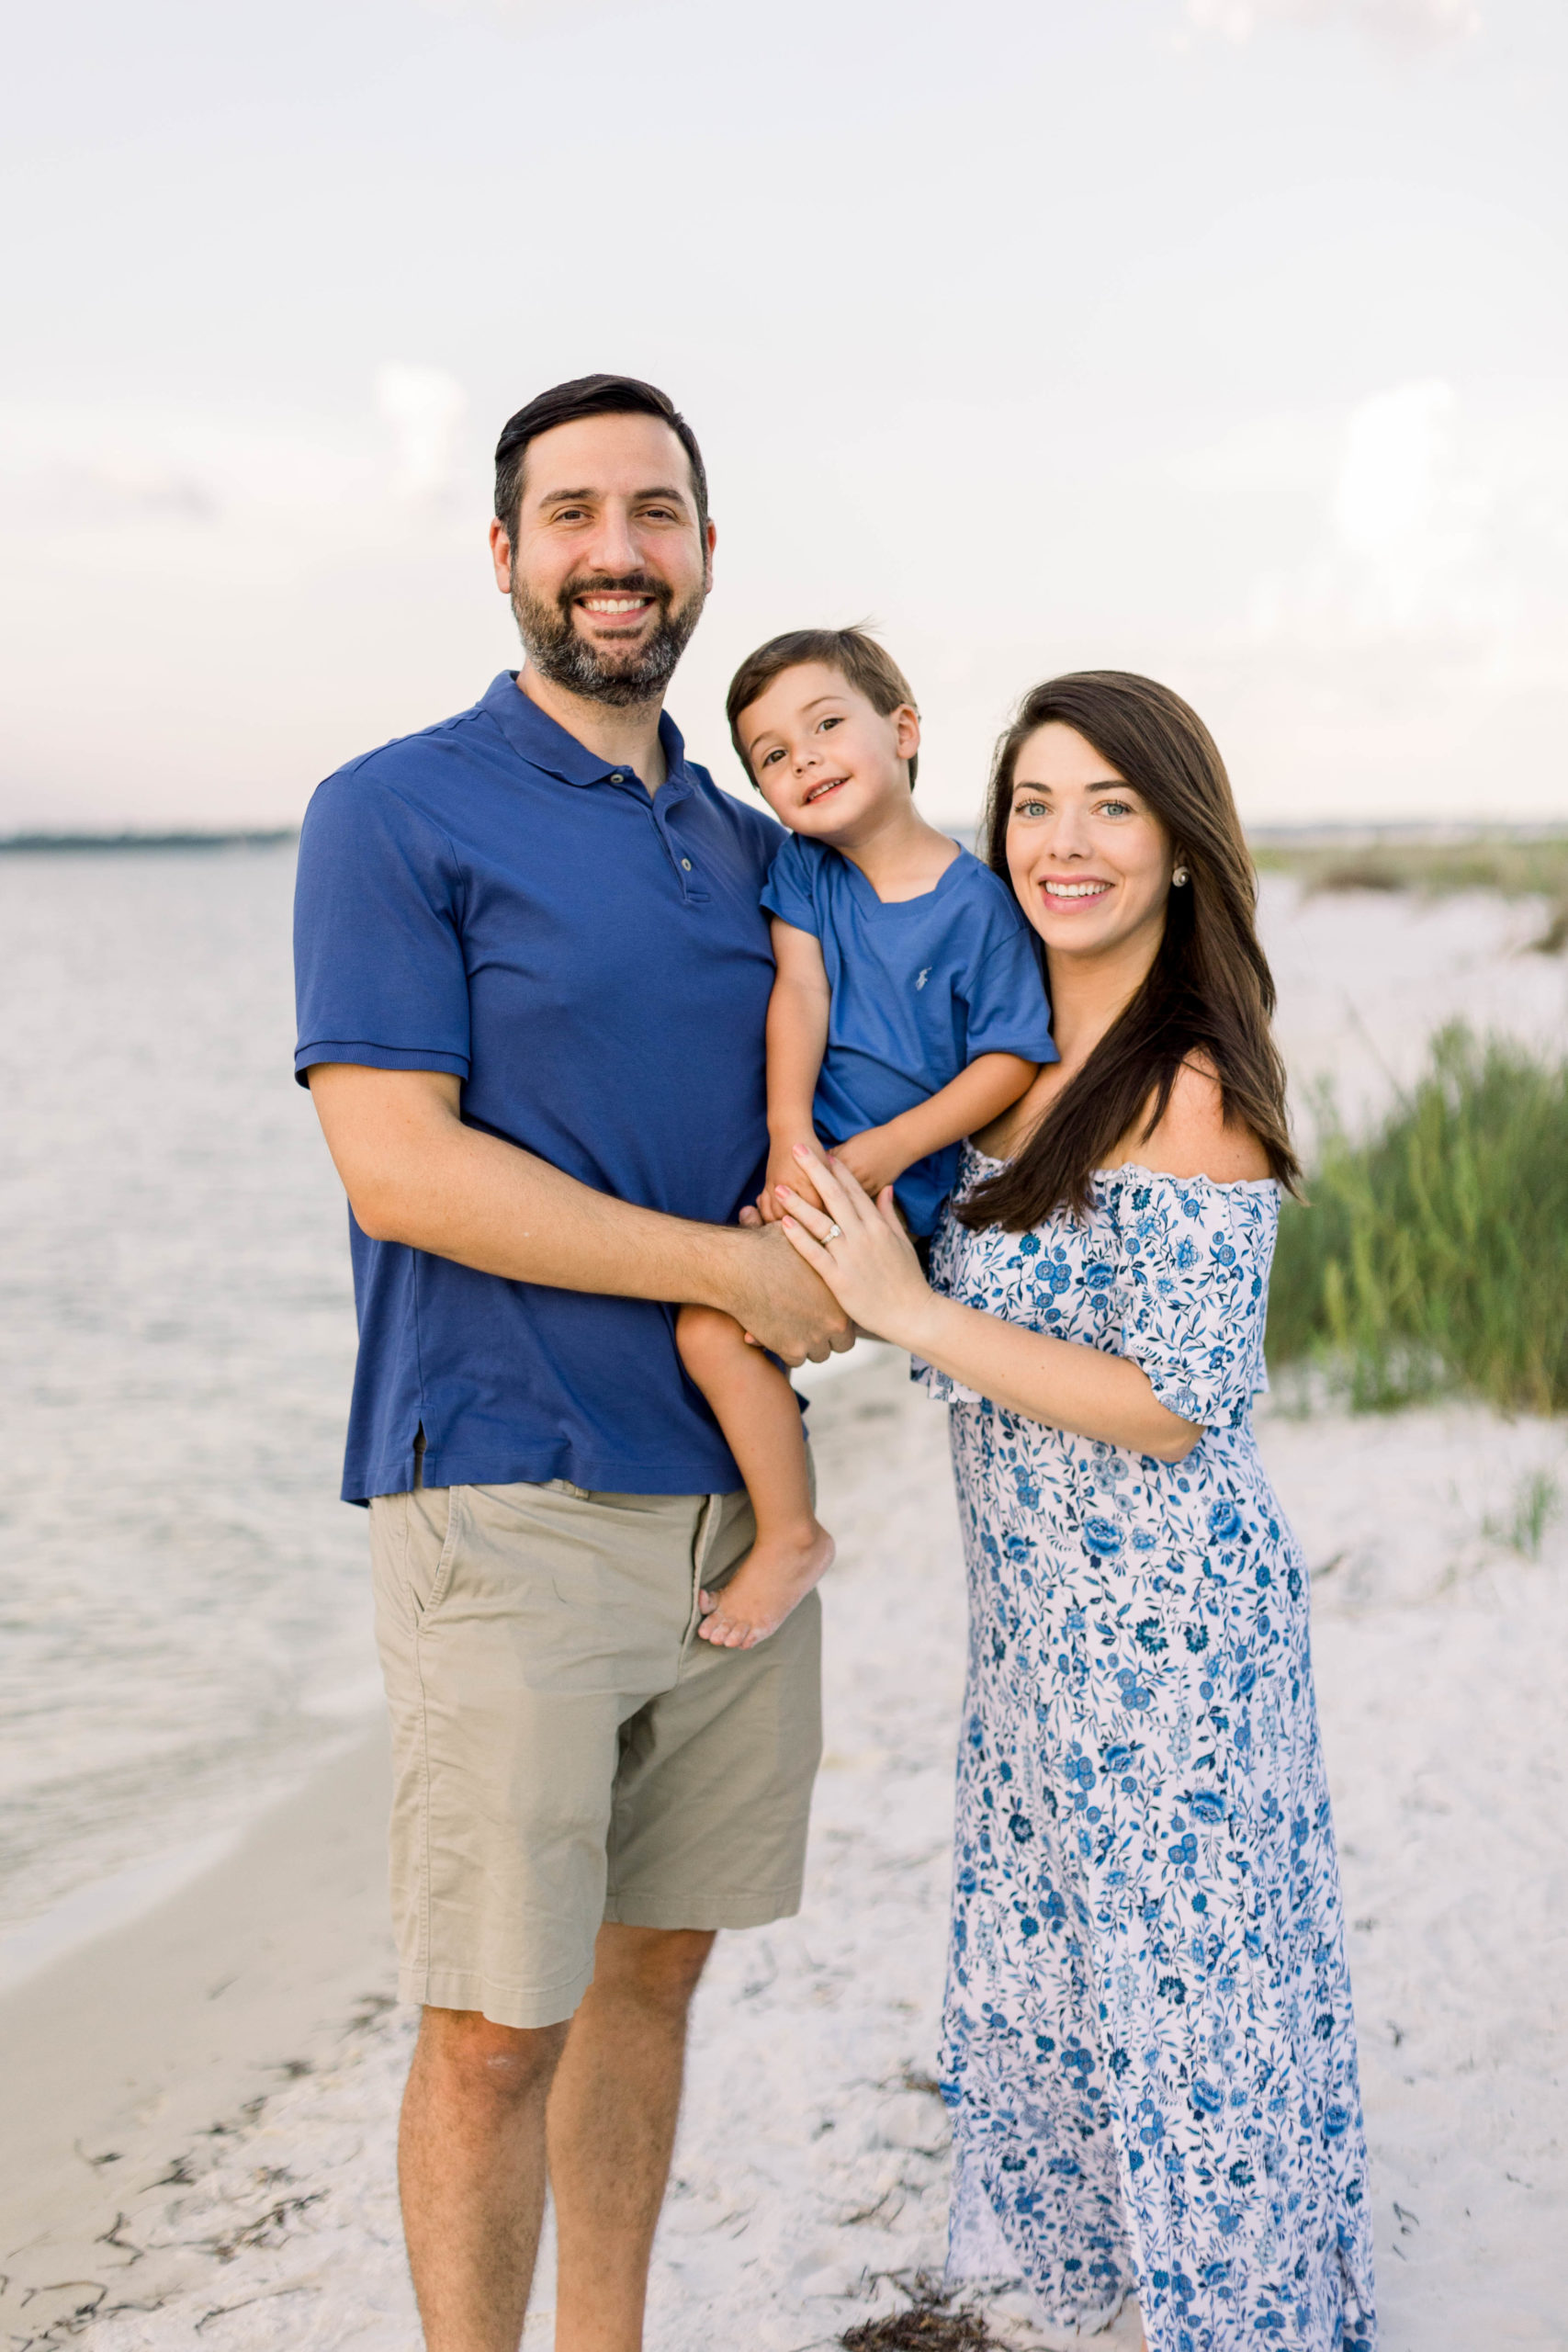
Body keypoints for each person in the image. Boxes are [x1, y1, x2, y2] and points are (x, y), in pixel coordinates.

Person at [292, 373, 852, 2352]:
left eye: (658, 511)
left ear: (704, 549)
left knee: (650, 1979)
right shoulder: (392, 808)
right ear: (510, 550)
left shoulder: (747, 836)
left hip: (733, 1513)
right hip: (503, 1488)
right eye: (575, 513)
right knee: (487, 2025)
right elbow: (398, 1164)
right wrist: (730, 1270)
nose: (618, 550)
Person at [773, 673, 1377, 2352]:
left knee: (1191, 2002)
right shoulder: (1001, 1052)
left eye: (1111, 804)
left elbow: (1178, 1404)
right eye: (1033, 803)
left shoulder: (1187, 1087)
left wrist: (909, 1314)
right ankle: (1081, 2278)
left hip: (1168, 1624)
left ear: (1183, 847)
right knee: (1054, 1973)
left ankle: (1243, 2313)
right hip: (1038, 1618)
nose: (1064, 841)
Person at [678, 628, 1055, 1650]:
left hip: (903, 1193)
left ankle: (792, 1534)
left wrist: (882, 1152)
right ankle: (774, 1510)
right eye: (770, 755)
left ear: (903, 730)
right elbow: (798, 993)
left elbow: (1009, 1059)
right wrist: (789, 1131)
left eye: (825, 725)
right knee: (715, 1322)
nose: (800, 759)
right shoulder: (806, 874)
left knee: (710, 1328)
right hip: (814, 1170)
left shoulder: (982, 904)